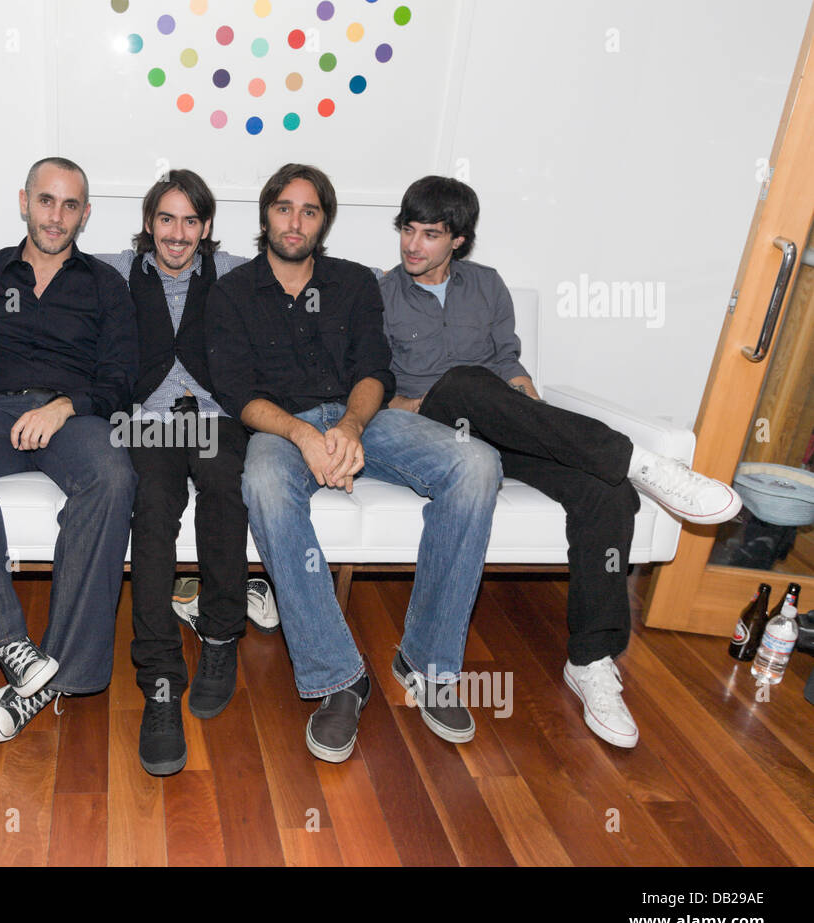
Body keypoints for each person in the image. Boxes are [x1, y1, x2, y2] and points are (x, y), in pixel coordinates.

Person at [380, 175, 741, 748]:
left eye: (430, 234)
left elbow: (511, 365)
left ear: (459, 241)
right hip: (432, 425)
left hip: (501, 423)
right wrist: (427, 400)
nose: (412, 245)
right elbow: (372, 391)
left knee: (607, 492)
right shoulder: (378, 294)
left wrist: (532, 411)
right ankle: (635, 459)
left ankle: (592, 660)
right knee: (466, 381)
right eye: (407, 230)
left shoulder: (489, 286)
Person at [206, 163, 503, 762]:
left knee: (477, 463)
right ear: (266, 215)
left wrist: (347, 427)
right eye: (284, 208)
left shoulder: (354, 283)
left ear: (324, 222)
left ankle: (429, 663)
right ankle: (339, 677)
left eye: (309, 211)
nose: (296, 221)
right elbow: (237, 395)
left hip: (360, 416)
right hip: (280, 427)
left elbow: (376, 371)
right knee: (261, 480)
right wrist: (303, 436)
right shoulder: (231, 291)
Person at [0, 157, 137, 743]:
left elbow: (122, 381)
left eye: (70, 206)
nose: (56, 216)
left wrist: (65, 406)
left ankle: (58, 674)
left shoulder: (104, 284)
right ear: (24, 201)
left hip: (75, 416)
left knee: (114, 477)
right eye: (46, 201)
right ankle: (7, 639)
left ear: (85, 215)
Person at [98, 169, 251, 775]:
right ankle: (160, 677)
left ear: (207, 227)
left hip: (214, 417)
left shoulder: (234, 269)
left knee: (222, 488)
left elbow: (321, 269)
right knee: (153, 507)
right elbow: (49, 253)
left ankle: (219, 639)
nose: (178, 233)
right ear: (148, 223)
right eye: (166, 219)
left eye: (191, 221)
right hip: (147, 422)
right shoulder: (119, 268)